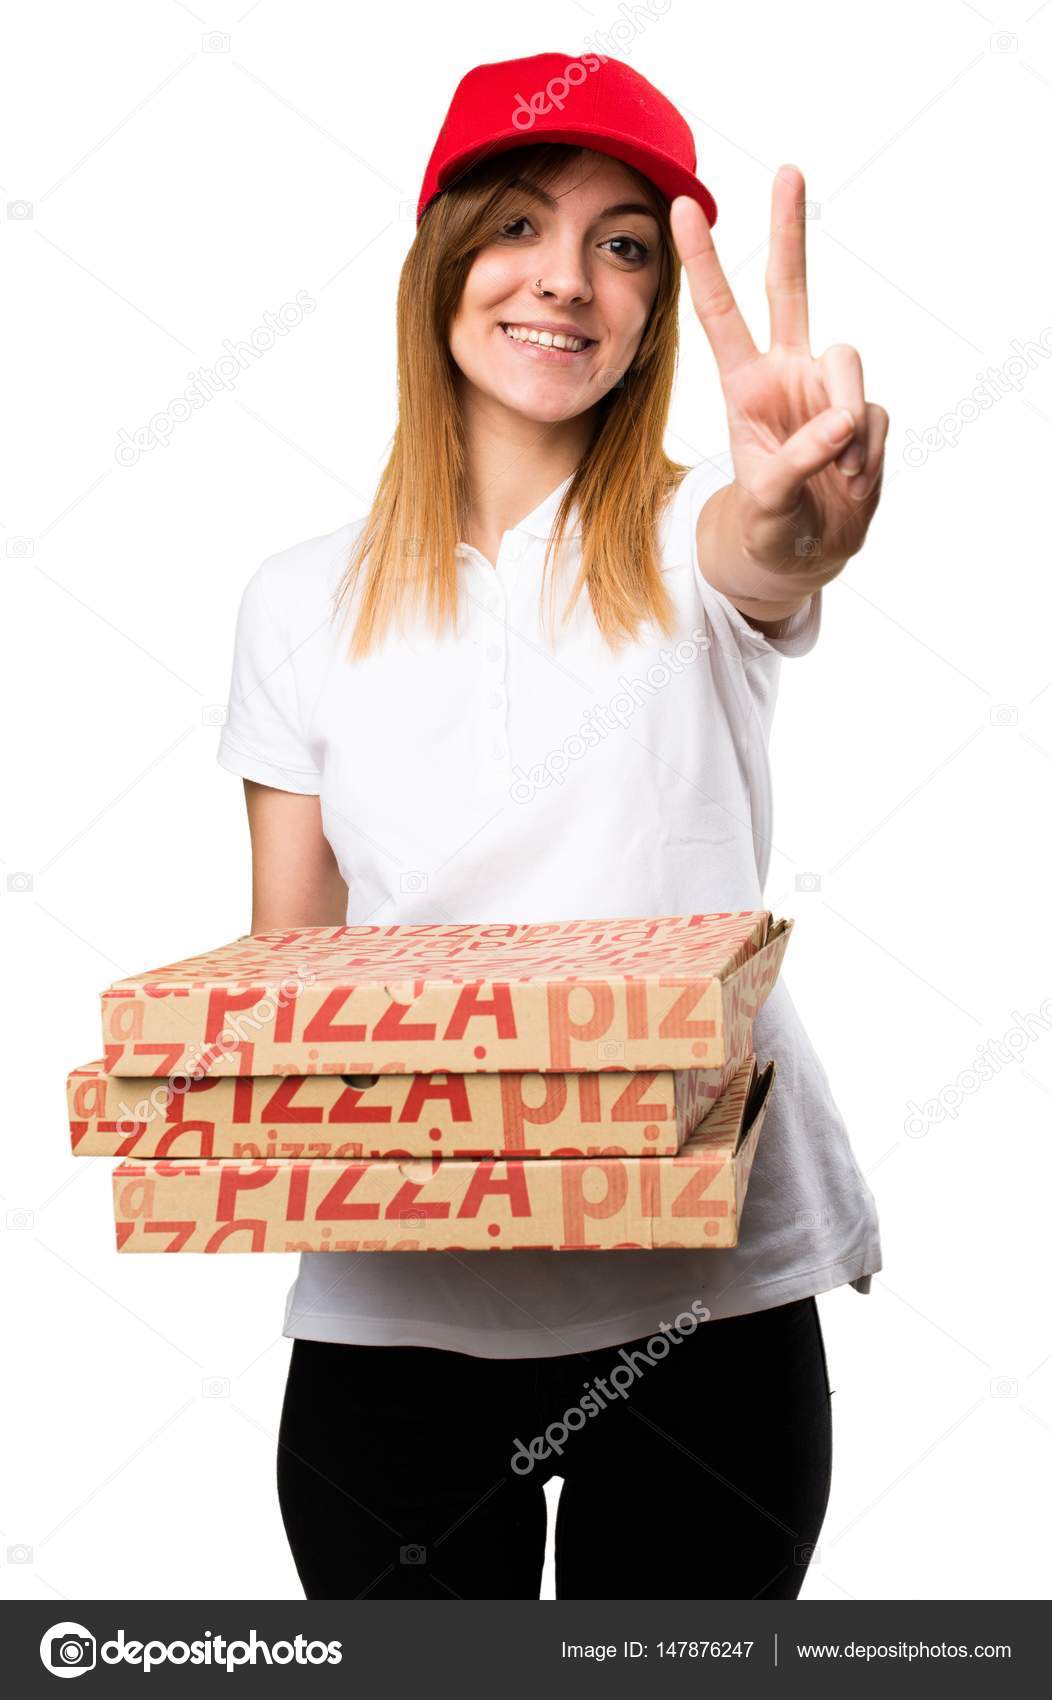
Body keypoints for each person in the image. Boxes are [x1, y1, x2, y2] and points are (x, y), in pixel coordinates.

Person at [216, 52, 886, 1601]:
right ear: (442, 259)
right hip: (396, 1312)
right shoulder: (296, 600)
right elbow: (291, 964)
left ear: (658, 302)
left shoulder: (688, 536)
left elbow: (761, 548)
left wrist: (797, 513)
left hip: (706, 1298)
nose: (566, 282)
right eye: (519, 224)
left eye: (625, 244)